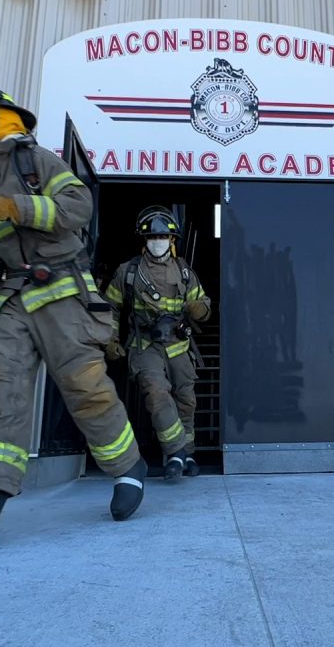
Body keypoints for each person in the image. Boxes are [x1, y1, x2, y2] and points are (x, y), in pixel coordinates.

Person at [0, 84, 147, 548]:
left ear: (1, 119)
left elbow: (79, 207)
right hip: (10, 297)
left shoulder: (36, 161)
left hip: (60, 293)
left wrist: (17, 206)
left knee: (85, 389)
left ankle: (128, 466)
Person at [103, 206, 212, 481]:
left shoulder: (184, 272)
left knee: (186, 400)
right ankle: (175, 453)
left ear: (172, 239)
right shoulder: (128, 272)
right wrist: (110, 339)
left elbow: (205, 305)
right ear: (144, 240)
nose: (157, 241)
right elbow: (109, 307)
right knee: (157, 394)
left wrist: (200, 309)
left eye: (163, 236)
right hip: (145, 345)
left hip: (179, 345)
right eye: (152, 237)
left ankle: (187, 454)